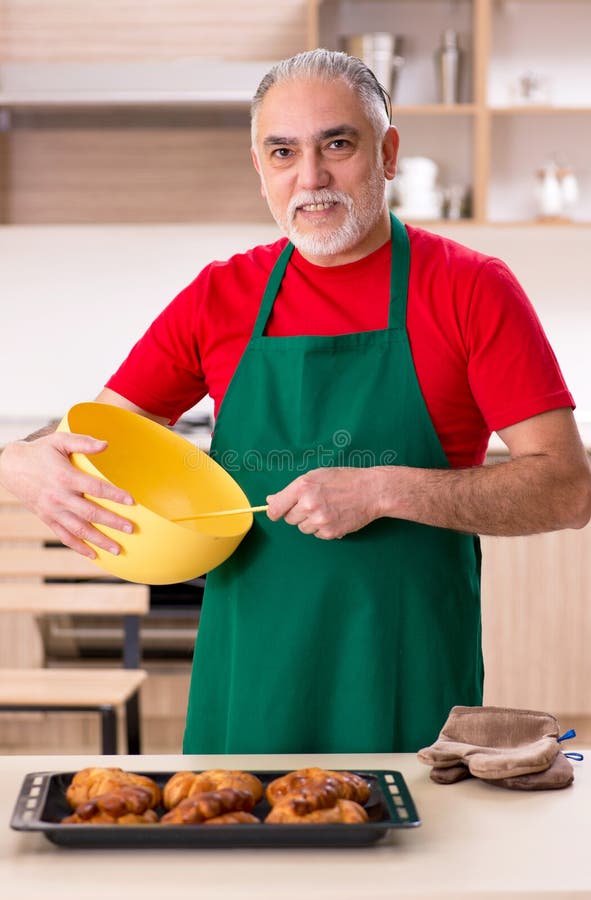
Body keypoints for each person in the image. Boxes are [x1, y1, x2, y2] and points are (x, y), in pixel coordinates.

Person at [1, 50, 590, 754]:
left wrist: (386, 490)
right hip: (248, 671)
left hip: (404, 672)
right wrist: (20, 460)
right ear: (260, 167)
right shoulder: (220, 296)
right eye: (283, 152)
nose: (309, 178)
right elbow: (95, 438)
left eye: (335, 145)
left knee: (413, 857)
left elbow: (566, 489)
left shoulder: (470, 289)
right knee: (234, 850)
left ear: (388, 152)